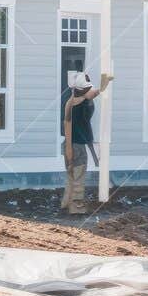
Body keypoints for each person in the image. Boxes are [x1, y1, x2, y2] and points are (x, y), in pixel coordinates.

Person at [62, 70, 113, 215]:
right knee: (78, 177)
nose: (91, 91)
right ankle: (75, 207)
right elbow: (67, 126)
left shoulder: (79, 99)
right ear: (82, 90)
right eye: (88, 88)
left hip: (75, 144)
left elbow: (95, 92)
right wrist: (69, 149)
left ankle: (66, 203)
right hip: (74, 145)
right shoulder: (73, 105)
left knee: (72, 176)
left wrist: (104, 84)